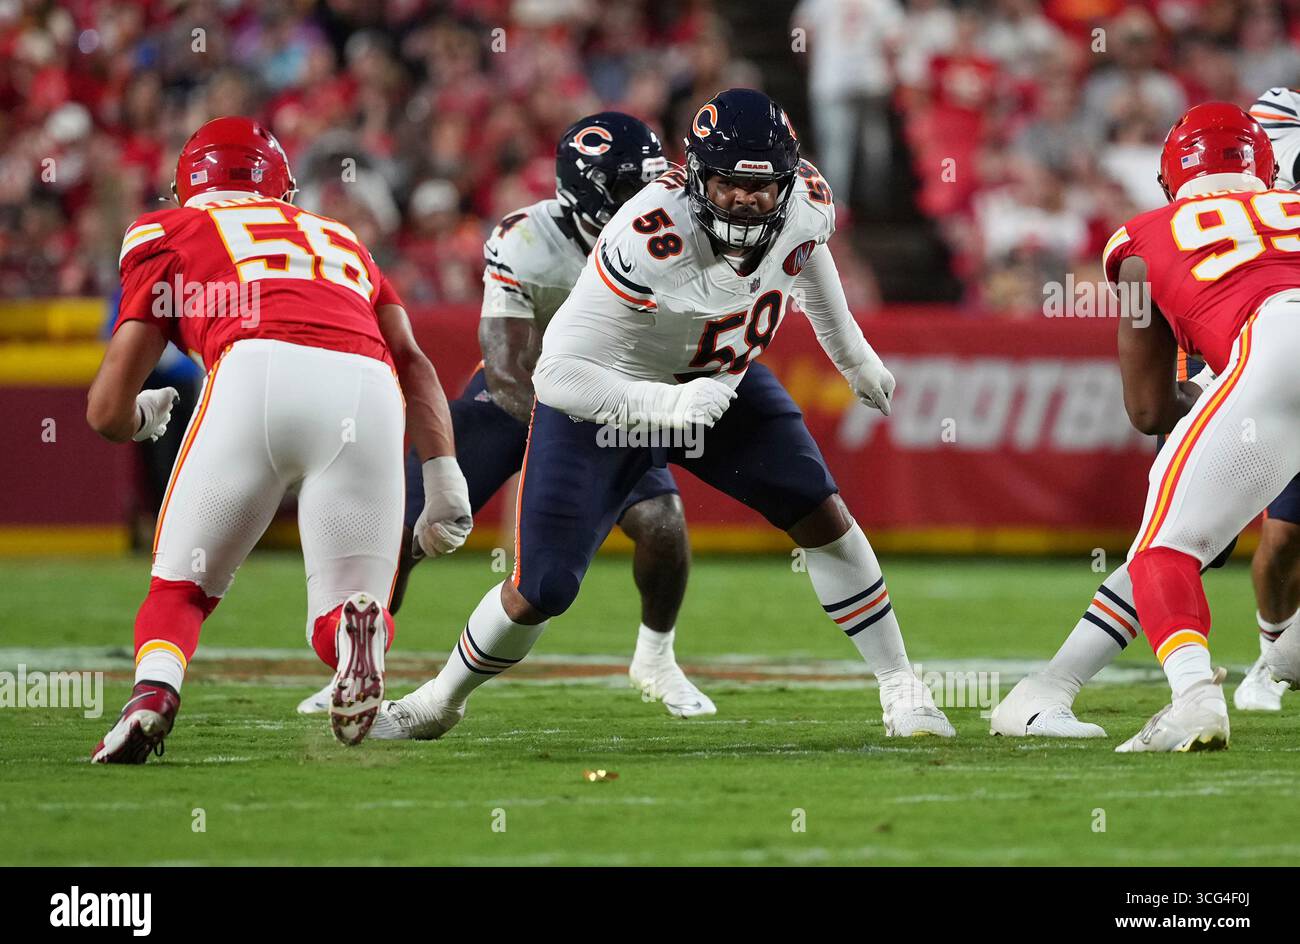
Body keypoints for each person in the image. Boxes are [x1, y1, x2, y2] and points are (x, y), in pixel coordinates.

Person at [369, 89, 954, 742]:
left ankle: (902, 688)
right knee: (544, 587)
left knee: (821, 512)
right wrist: (666, 406)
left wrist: (852, 355)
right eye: (729, 183)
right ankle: (440, 699)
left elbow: (806, 255)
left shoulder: (807, 200)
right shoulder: (648, 234)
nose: (746, 200)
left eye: (762, 188)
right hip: (605, 397)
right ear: (696, 175)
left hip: (719, 378)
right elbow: (557, 375)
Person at [297, 112, 715, 720]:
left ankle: (657, 659)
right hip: (517, 396)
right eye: (633, 186)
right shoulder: (526, 241)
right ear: (588, 190)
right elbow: (506, 370)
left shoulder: (669, 238)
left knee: (662, 521)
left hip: (606, 398)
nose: (651, 199)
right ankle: (356, 669)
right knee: (404, 527)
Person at [87, 116, 471, 762]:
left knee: (180, 588)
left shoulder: (169, 227)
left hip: (256, 374)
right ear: (282, 188)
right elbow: (414, 361)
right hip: (367, 387)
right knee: (345, 606)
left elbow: (104, 409)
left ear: (187, 184)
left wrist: (144, 417)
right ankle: (355, 637)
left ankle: (151, 697)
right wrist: (441, 474)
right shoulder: (340, 237)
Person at [993, 88, 1300, 739]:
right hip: (1271, 359)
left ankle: (1193, 696)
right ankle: (1047, 690)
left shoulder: (1139, 241)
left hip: (1277, 353)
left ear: (1168, 179)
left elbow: (1148, 406)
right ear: (1269, 172)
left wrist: (1216, 411)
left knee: (1169, 545)